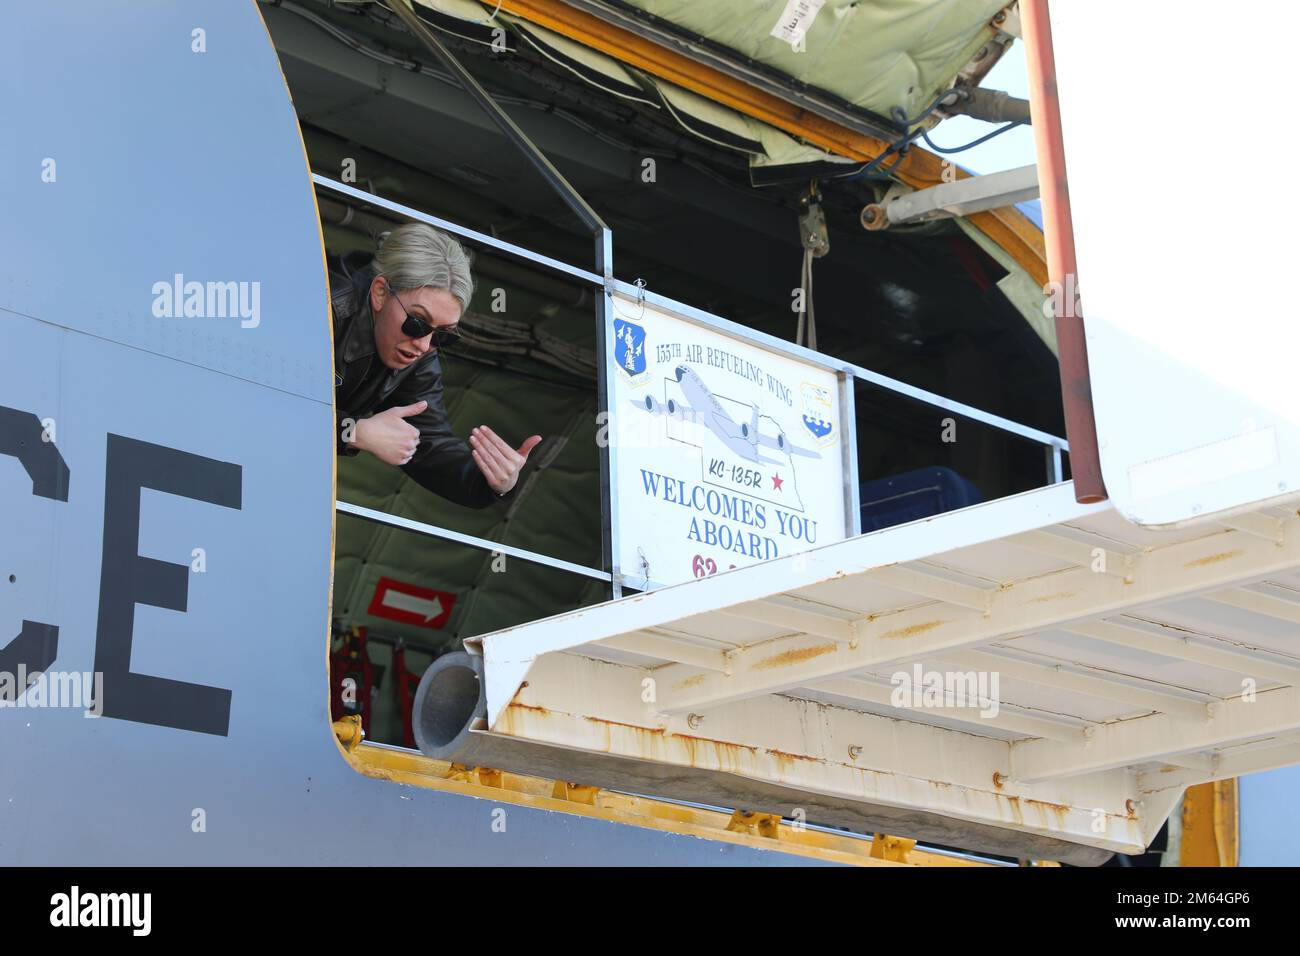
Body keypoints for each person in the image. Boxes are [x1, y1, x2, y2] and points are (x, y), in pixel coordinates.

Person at [332, 223, 540, 507]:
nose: (424, 345)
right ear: (380, 292)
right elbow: (260, 395)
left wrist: (495, 481)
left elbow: (429, 445)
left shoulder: (417, 356)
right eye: (417, 323)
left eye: (442, 334)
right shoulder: (326, 306)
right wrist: (353, 431)